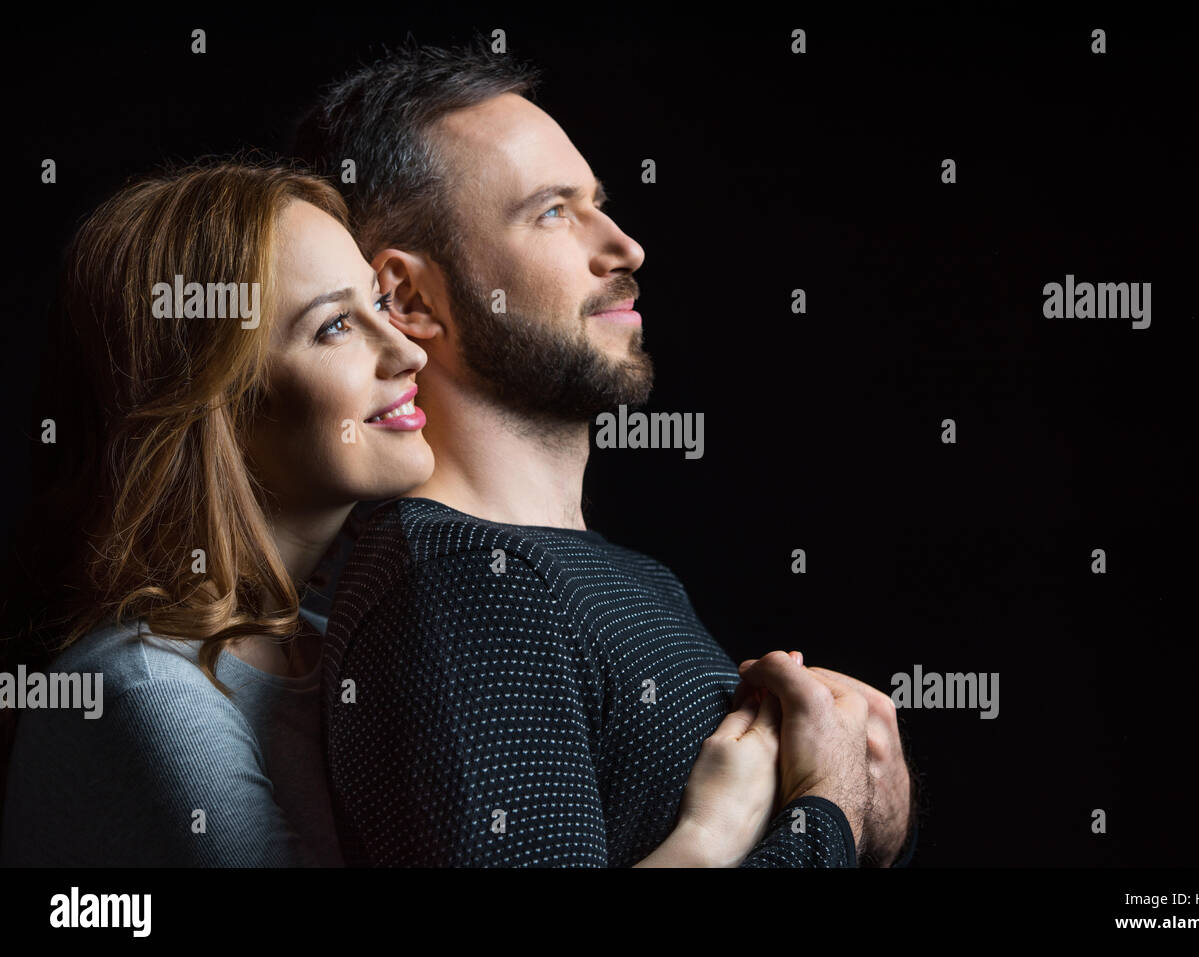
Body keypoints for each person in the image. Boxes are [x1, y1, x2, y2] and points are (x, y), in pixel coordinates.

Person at [0, 160, 779, 867]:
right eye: (335, 326)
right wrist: (711, 837)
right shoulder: (142, 685)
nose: (404, 350)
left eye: (379, 304)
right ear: (217, 407)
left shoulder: (337, 640)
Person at [292, 40, 917, 867]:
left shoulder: (612, 575)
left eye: (599, 203)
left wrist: (874, 814)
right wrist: (829, 812)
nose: (624, 248)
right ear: (409, 296)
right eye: (553, 211)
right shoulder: (463, 585)